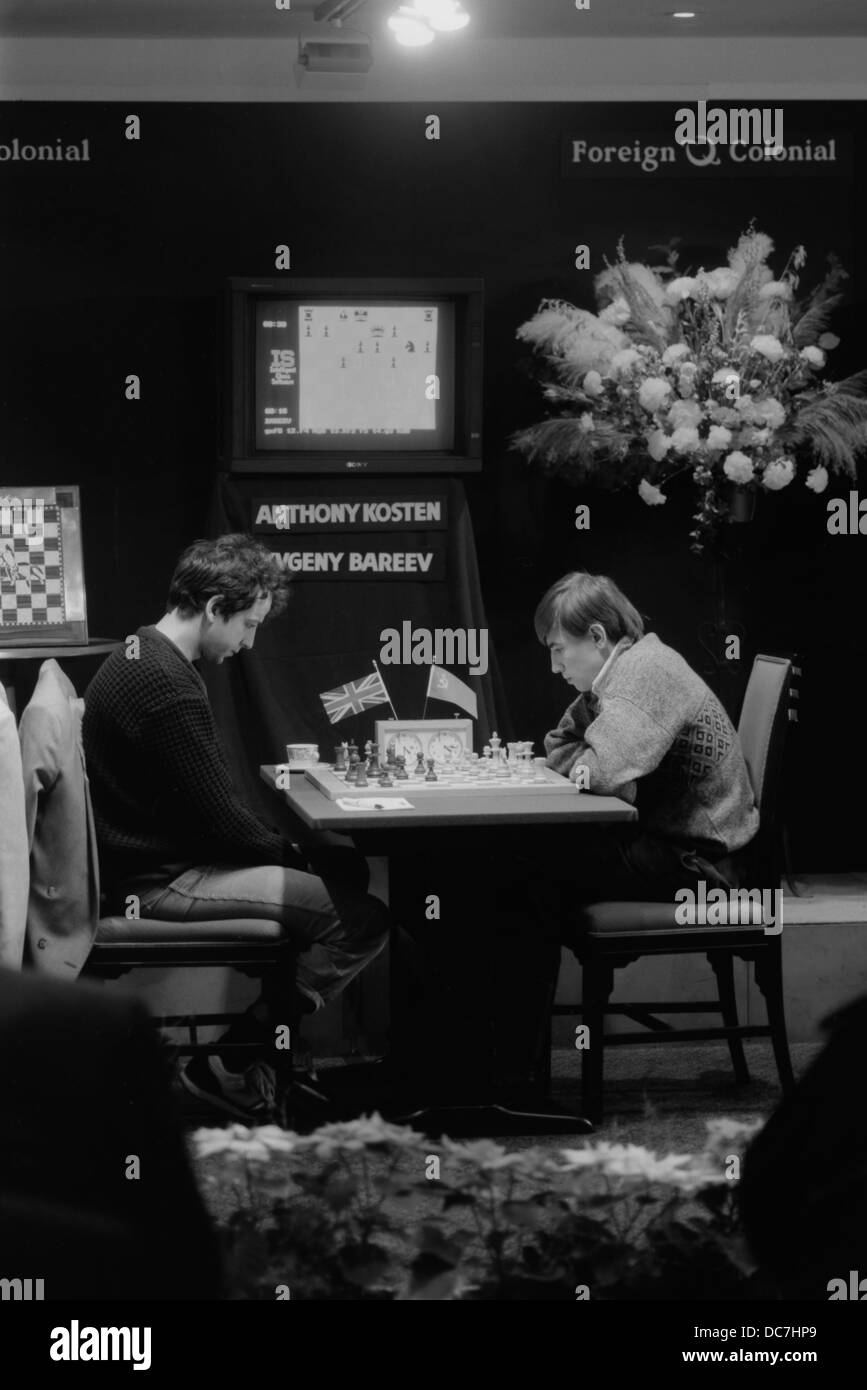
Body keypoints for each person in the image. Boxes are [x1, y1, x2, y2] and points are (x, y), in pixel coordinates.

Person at [82, 534, 389, 1120]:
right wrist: (300, 857)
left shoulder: (143, 655)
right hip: (158, 885)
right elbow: (220, 822)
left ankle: (247, 1067)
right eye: (247, 625)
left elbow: (210, 811)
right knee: (364, 921)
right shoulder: (165, 686)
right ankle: (227, 1063)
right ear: (215, 607)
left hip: (160, 866)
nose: (249, 642)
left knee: (338, 879)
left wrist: (301, 857)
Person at [490, 570, 761, 1094]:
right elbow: (562, 747)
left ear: (596, 636)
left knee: (520, 873)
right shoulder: (615, 676)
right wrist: (589, 763)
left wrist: (593, 765)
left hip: (700, 865)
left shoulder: (644, 674)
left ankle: (513, 1075)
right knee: (519, 867)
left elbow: (605, 770)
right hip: (673, 844)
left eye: (558, 649)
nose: (553, 666)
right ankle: (506, 1065)